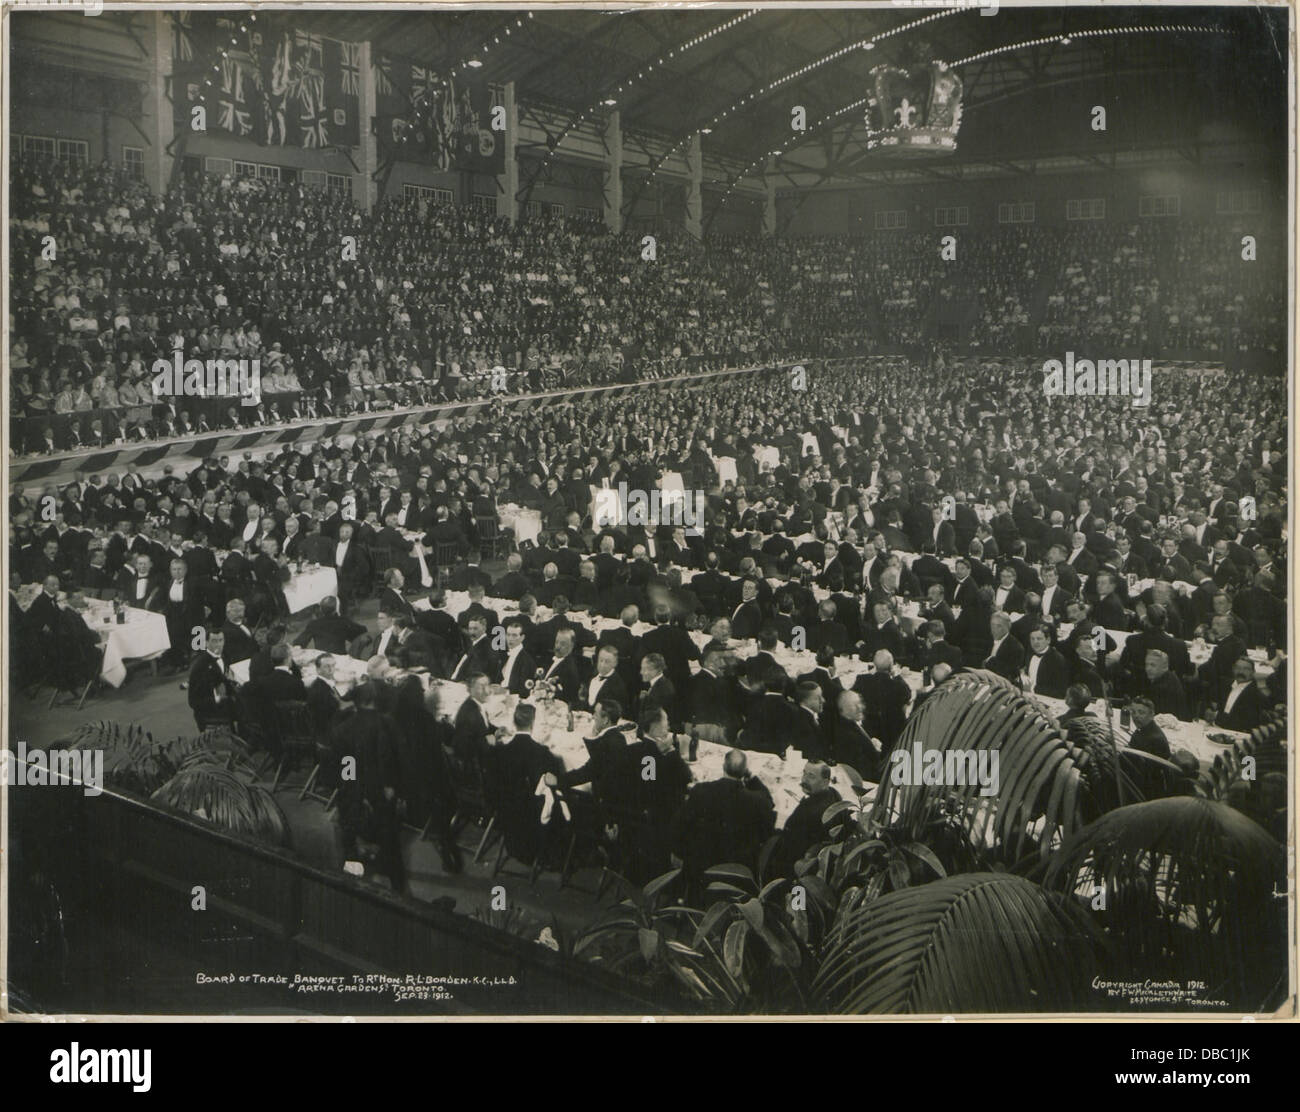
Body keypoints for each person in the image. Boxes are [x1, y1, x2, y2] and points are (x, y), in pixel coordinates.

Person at [669, 749, 775, 900]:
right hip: (737, 866)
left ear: (723, 766)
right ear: (744, 771)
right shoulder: (757, 801)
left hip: (702, 862)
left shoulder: (701, 791)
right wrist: (752, 777)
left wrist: (678, 852)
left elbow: (679, 824)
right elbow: (769, 803)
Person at [330, 682, 405, 894]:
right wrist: (391, 788)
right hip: (380, 792)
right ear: (375, 700)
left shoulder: (343, 729)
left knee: (349, 837)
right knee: (389, 840)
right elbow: (391, 760)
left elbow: (346, 766)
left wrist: (354, 790)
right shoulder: (387, 724)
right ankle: (397, 888)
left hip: (352, 791)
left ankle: (351, 882)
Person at [490, 703, 567, 868]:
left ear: (514, 722)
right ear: (533, 724)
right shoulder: (542, 753)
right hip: (530, 811)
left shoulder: (500, 750)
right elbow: (554, 781)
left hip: (506, 808)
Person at [771, 761, 841, 878]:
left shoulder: (808, 813)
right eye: (804, 773)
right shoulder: (833, 794)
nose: (804, 780)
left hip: (795, 866)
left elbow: (789, 839)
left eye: (811, 776)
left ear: (825, 782)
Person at [188, 627, 235, 730]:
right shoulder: (200, 666)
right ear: (206, 643)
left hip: (226, 704)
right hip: (210, 712)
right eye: (214, 641)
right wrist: (218, 698)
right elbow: (193, 701)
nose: (218, 644)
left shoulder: (225, 657)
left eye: (221, 640)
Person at [295, 596, 365, 654]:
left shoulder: (314, 624)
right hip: (340, 658)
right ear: (336, 609)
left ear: (321, 609)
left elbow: (298, 643)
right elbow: (362, 631)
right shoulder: (343, 621)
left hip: (322, 658)